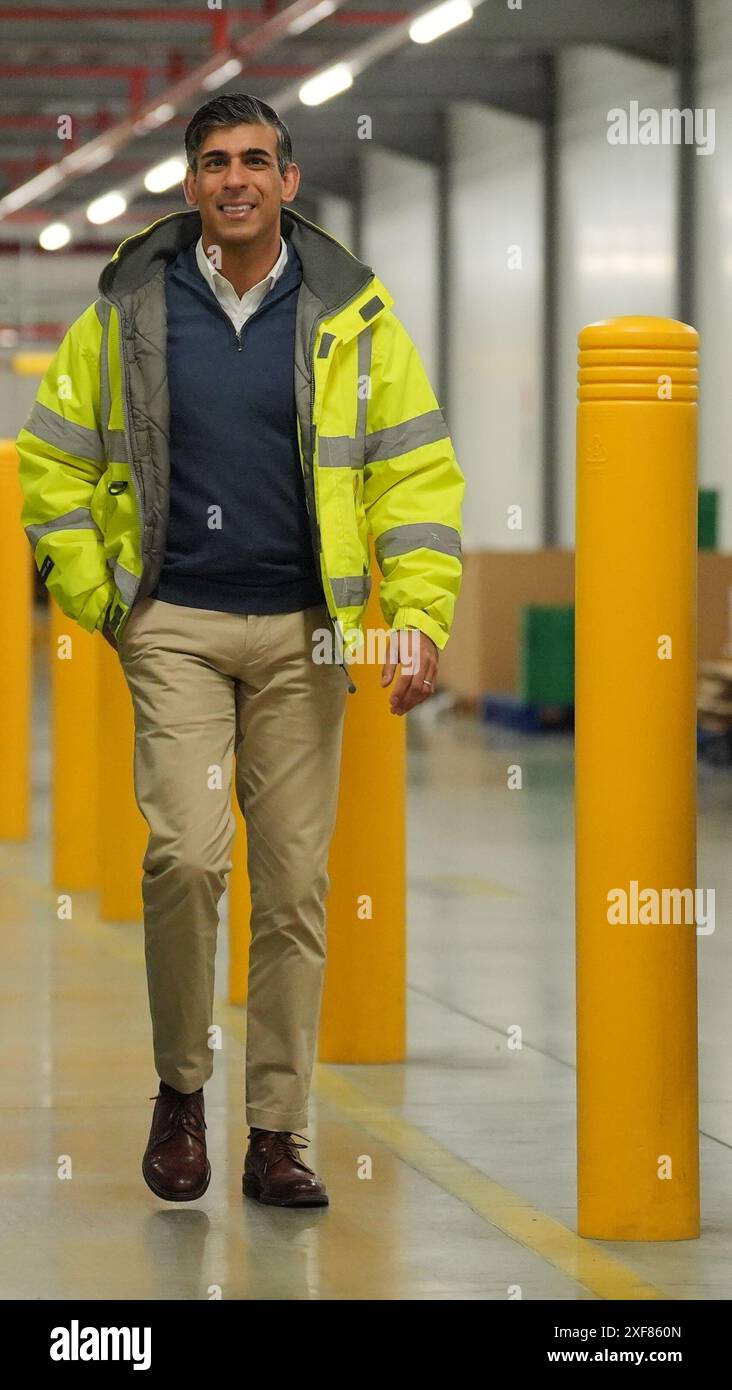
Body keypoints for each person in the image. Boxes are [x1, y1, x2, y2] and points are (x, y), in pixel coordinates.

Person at [16, 93, 465, 1207]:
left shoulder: (354, 317)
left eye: (255, 161)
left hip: (308, 630)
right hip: (173, 619)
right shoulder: (128, 311)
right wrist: (101, 597)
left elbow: (410, 476)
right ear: (190, 185)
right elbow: (54, 464)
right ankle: (180, 1091)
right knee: (185, 855)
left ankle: (276, 1131)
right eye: (214, 162)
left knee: (296, 884)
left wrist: (417, 615)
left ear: (289, 181)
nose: (235, 180)